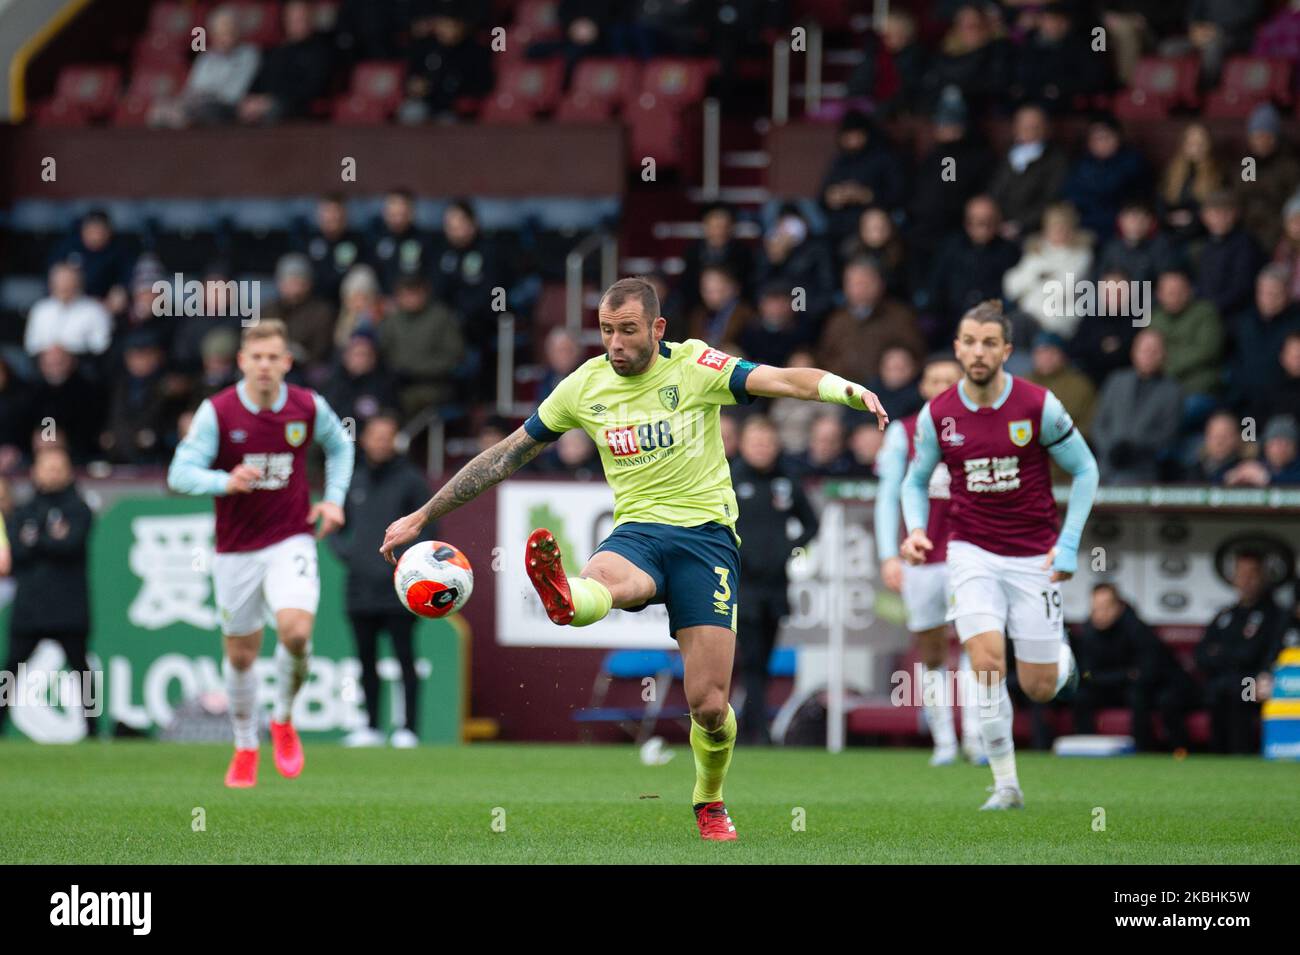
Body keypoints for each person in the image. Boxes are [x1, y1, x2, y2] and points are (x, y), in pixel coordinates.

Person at [379, 276, 889, 841]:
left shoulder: (696, 366)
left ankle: (709, 800)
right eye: (605, 331)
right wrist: (425, 514)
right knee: (603, 581)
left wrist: (847, 390)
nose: (615, 343)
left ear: (657, 328)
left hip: (706, 539)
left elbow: (780, 379)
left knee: (710, 707)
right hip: (638, 532)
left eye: (627, 331)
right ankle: (565, 596)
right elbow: (504, 457)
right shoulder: (584, 386)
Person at [900, 300, 1099, 810]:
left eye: (990, 342)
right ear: (957, 348)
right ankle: (1006, 784)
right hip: (970, 553)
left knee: (1038, 687)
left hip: (1034, 556)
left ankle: (1060, 657)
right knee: (985, 661)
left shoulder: (1037, 405)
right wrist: (918, 530)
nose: (978, 351)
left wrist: (1069, 545)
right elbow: (915, 480)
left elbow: (1086, 471)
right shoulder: (938, 414)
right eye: (970, 341)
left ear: (1007, 350)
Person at [167, 319, 355, 787]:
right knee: (242, 656)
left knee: (295, 632)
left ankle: (284, 719)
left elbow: (340, 445)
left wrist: (333, 498)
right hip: (235, 550)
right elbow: (179, 473)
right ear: (242, 362)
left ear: (287, 362)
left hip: (291, 536)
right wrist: (223, 481)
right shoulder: (220, 411)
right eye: (257, 358)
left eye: (274, 357)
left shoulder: (307, 406)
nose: (266, 366)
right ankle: (246, 744)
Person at [877, 357, 985, 766]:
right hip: (921, 556)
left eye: (949, 380)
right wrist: (889, 554)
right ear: (923, 386)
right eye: (933, 379)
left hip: (970, 552)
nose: (941, 386)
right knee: (932, 647)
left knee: (977, 642)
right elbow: (888, 496)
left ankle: (976, 736)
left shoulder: (979, 429)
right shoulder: (904, 433)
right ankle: (943, 740)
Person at [332, 412, 430, 747]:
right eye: (375, 436)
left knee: (405, 658)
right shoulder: (353, 480)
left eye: (387, 436)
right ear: (365, 439)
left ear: (395, 441)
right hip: (359, 588)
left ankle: (408, 729)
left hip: (399, 588)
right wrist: (350, 555)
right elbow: (334, 525)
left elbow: (429, 529)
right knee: (366, 660)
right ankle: (371, 726)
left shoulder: (412, 481)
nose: (381, 442)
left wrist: (407, 565)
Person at [730, 416, 819, 745]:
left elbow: (811, 524)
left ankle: (752, 724)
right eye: (756, 443)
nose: (762, 449)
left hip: (775, 585)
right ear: (742, 444)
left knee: (764, 656)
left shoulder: (786, 482)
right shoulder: (729, 478)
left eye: (767, 443)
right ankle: (756, 730)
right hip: (741, 584)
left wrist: (790, 549)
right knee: (750, 656)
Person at [0, 446, 97, 737]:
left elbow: (70, 545)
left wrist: (37, 541)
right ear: (35, 472)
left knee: (82, 670)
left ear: (68, 472)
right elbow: (17, 550)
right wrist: (49, 539)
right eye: (47, 468)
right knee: (10, 670)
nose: (52, 474)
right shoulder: (23, 511)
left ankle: (93, 729)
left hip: (69, 606)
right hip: (31, 606)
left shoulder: (79, 509)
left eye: (58, 468)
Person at [1072, 583, 1198, 751]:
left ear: (1118, 607)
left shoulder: (1136, 629)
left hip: (1144, 687)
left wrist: (1123, 677)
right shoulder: (1088, 633)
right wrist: (1124, 675)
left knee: (1140, 696)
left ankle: (1143, 752)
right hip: (1110, 686)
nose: (1100, 614)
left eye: (1105, 607)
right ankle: (1086, 750)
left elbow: (1147, 672)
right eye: (1095, 608)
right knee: (1081, 696)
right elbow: (1087, 674)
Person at [1196, 549, 1284, 754]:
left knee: (1240, 690)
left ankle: (1240, 757)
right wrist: (1227, 656)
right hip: (1222, 681)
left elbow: (1250, 655)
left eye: (1252, 574)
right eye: (1241, 574)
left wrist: (1220, 654)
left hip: (1256, 681)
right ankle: (1215, 758)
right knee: (1217, 689)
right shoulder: (1226, 615)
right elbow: (1201, 654)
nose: (1246, 580)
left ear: (1263, 576)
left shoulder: (1274, 615)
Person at [1091, 329, 1183, 483]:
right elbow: (1099, 424)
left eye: (1154, 351)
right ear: (1134, 352)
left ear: (1164, 355)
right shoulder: (1116, 380)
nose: (1149, 355)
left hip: (1143, 473)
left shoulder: (1173, 391)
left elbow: (1168, 434)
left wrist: (1135, 449)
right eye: (1144, 350)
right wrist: (1111, 448)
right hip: (1105, 468)